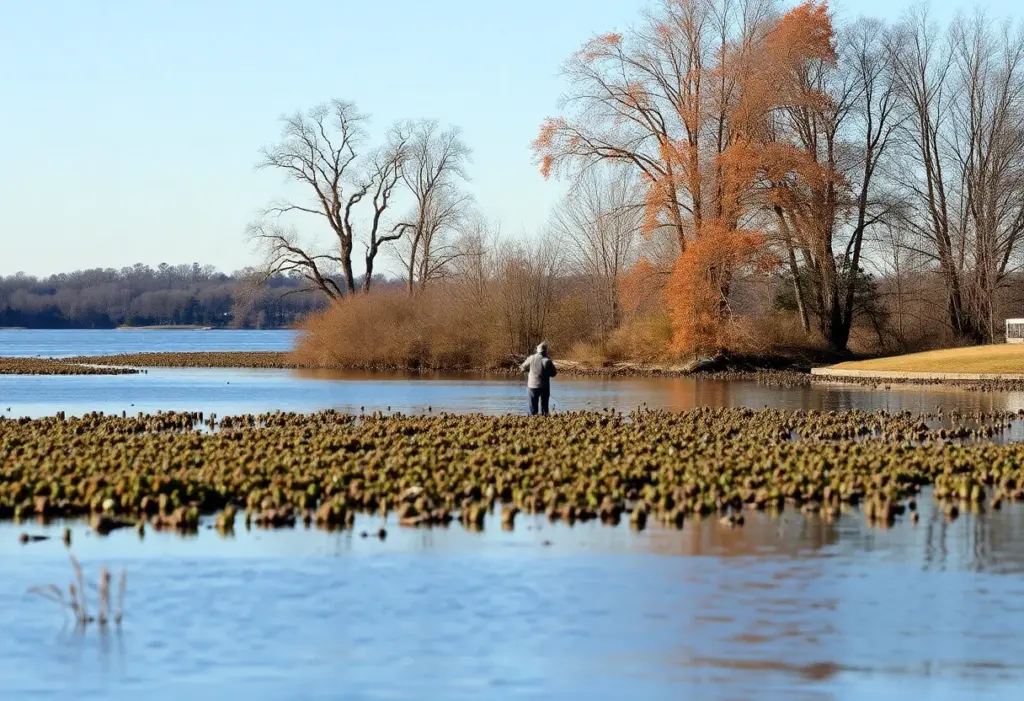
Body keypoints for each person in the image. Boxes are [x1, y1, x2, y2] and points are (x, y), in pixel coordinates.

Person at [520, 342, 557, 416]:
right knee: (544, 408)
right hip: (544, 386)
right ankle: (544, 418)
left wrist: (529, 370)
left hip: (532, 386)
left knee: (533, 409)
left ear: (537, 350)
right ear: (546, 351)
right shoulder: (547, 360)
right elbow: (554, 373)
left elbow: (522, 367)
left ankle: (534, 418)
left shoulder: (531, 358)